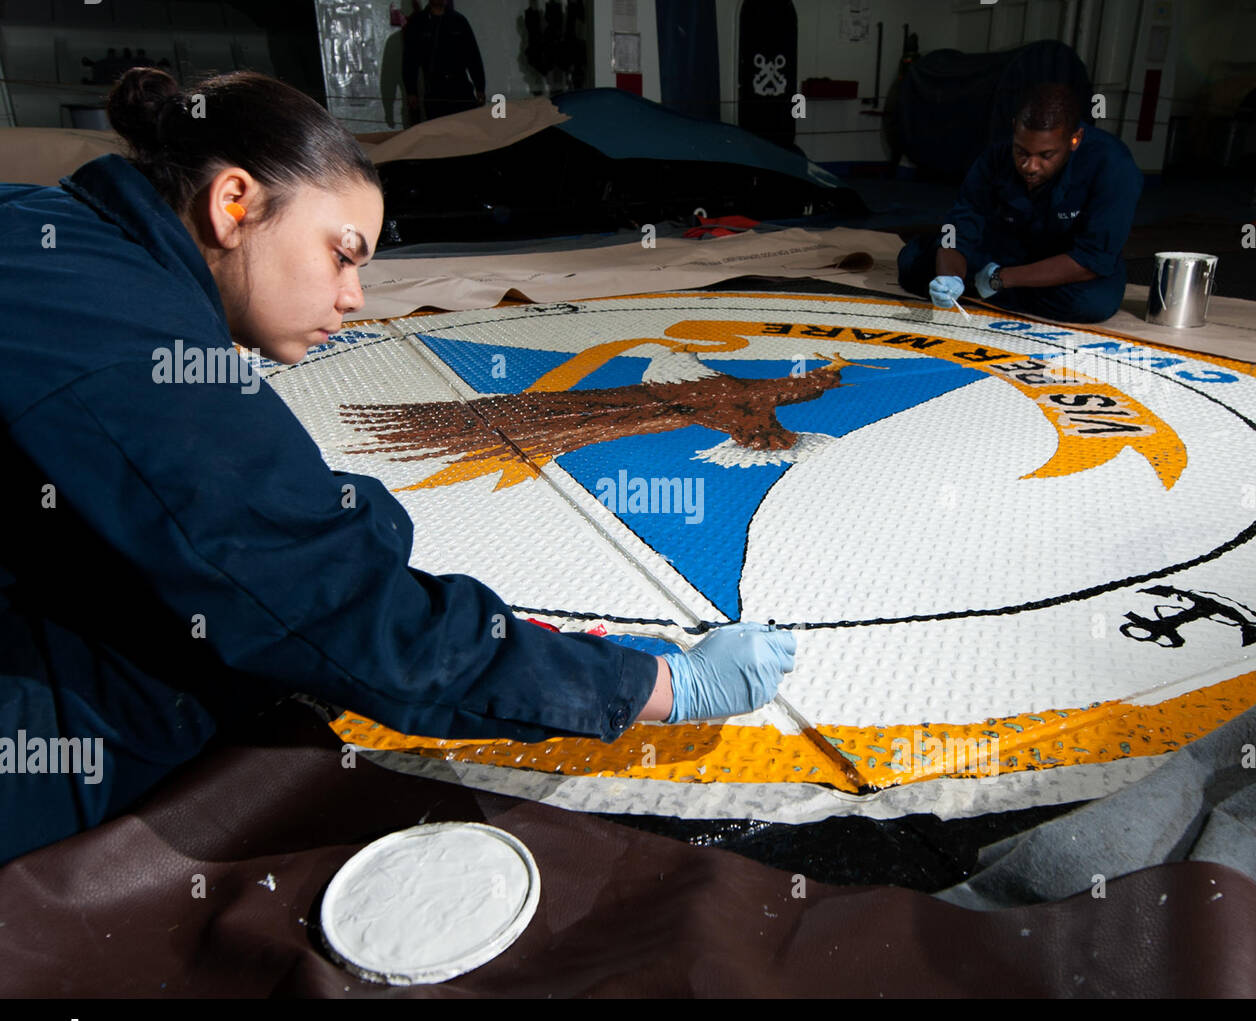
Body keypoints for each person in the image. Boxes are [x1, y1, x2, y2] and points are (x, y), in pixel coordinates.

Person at [0, 67, 795, 865]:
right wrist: (655, 685)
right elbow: (341, 611)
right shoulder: (134, 343)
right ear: (232, 203)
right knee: (196, 679)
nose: (354, 297)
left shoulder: (50, 231)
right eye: (342, 256)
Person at [896, 81, 1144, 325]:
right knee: (912, 263)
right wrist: (950, 277)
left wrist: (1002, 278)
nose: (1030, 166)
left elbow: (1092, 258)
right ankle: (980, 287)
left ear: (1074, 139)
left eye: (1046, 156)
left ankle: (991, 288)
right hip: (1006, 250)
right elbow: (958, 227)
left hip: (1063, 265)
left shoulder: (1112, 165)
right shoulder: (996, 156)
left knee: (1092, 303)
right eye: (1022, 152)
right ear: (1015, 128)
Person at [402, 0, 486, 123]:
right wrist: (411, 91)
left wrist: (480, 87)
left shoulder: (458, 20)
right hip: (435, 90)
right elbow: (410, 61)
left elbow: (473, 56)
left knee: (468, 131)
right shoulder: (418, 22)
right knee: (440, 135)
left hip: (460, 87)